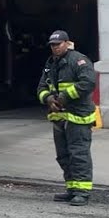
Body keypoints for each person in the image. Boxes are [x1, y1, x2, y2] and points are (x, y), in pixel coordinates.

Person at [35, 29, 97, 206]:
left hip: (78, 118)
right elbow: (40, 88)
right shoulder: (50, 64)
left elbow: (88, 82)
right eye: (52, 45)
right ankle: (72, 189)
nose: (55, 48)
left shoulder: (78, 60)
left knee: (79, 155)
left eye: (58, 44)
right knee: (63, 156)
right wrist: (48, 99)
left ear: (67, 43)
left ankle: (82, 192)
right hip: (59, 118)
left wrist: (63, 97)